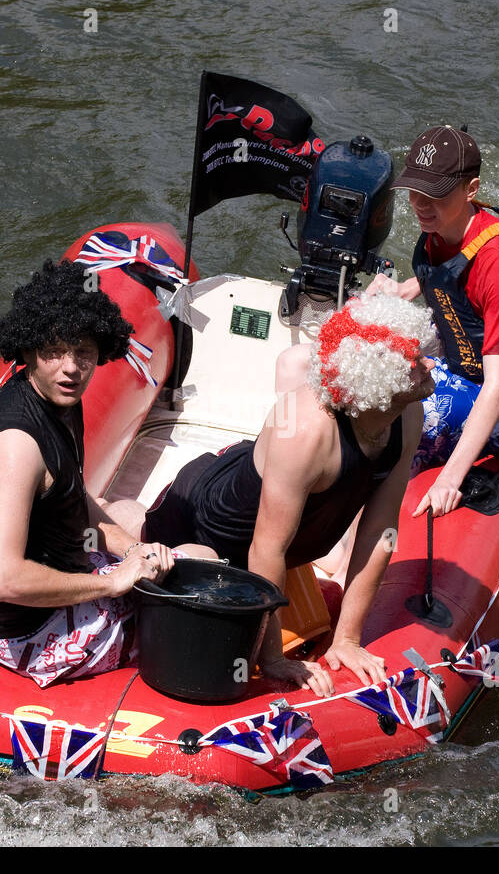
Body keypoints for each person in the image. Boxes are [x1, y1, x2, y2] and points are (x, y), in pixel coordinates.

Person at [108, 293, 439, 698]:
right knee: (140, 528)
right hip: (202, 514)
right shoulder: (305, 430)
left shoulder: (407, 414)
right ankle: (102, 512)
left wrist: (347, 639)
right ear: (378, 377)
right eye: (414, 361)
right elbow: (266, 550)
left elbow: (380, 531)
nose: (429, 364)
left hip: (281, 512)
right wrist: (272, 656)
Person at [0, 260, 178, 688]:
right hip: (23, 631)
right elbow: (4, 581)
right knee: (193, 593)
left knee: (145, 528)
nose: (71, 367)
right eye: (54, 351)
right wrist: (113, 583)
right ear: (27, 350)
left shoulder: (60, 401)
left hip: (50, 584)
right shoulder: (17, 445)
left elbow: (74, 497)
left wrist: (135, 553)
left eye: (84, 352)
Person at [370, 124, 499, 518]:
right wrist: (407, 288)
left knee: (402, 403)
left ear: (471, 189)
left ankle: (375, 514)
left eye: (436, 194)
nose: (421, 205)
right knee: (367, 371)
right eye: (415, 191)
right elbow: (448, 278)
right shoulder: (438, 231)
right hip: (461, 369)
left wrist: (451, 479)